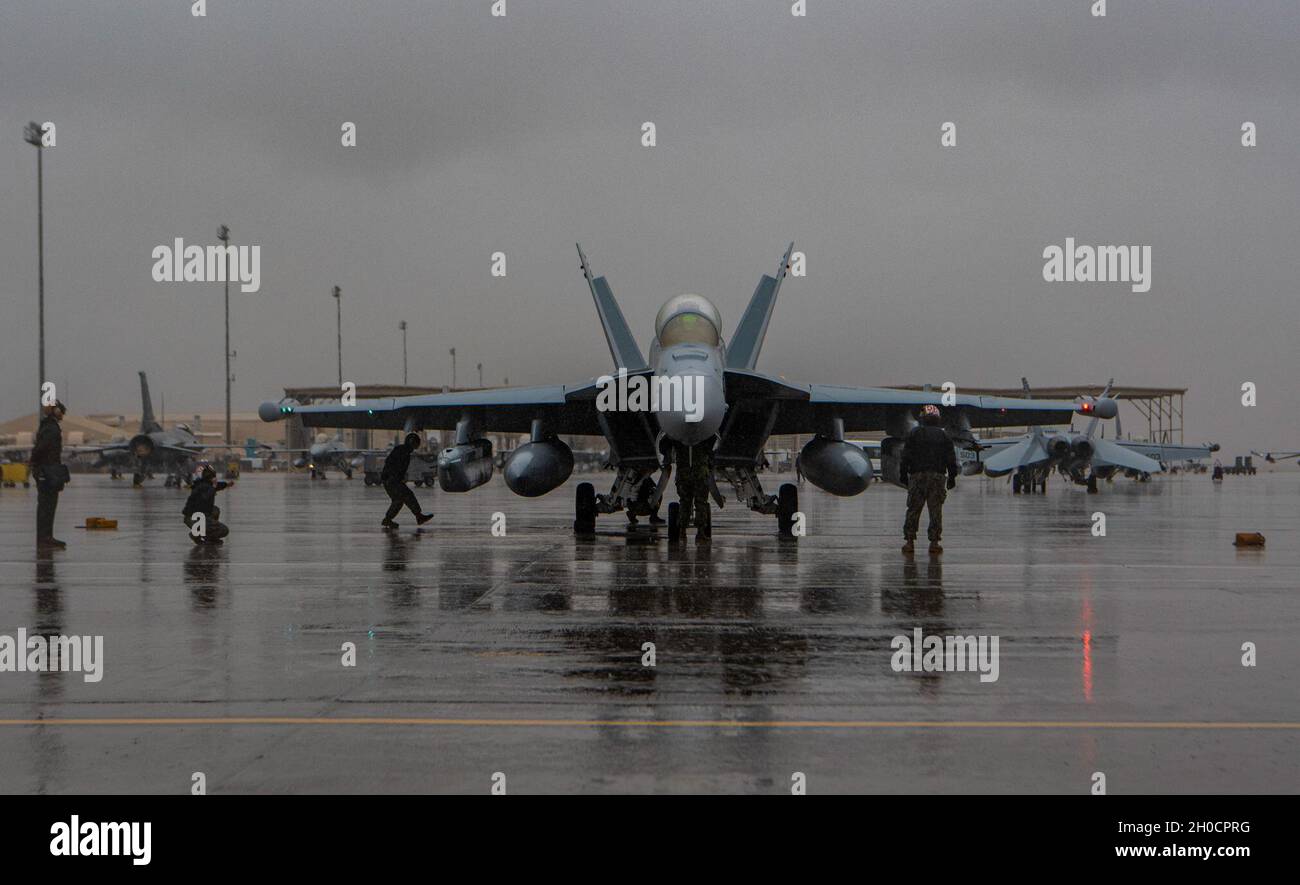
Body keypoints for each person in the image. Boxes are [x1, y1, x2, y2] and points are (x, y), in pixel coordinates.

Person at [899, 404, 958, 556]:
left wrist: (903, 474)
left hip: (917, 476)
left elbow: (905, 457)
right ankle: (934, 542)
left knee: (913, 509)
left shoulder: (914, 434)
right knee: (935, 511)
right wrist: (952, 477)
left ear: (922, 418)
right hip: (937, 478)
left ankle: (909, 542)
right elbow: (951, 459)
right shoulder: (944, 436)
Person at [30, 400, 70, 550]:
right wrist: (36, 462)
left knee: (45, 505)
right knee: (48, 505)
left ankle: (45, 537)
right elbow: (42, 448)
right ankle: (45, 538)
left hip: (45, 469)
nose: (62, 415)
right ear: (56, 411)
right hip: (47, 470)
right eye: (61, 411)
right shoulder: (51, 428)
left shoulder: (46, 426)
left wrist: (34, 463)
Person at [381, 433, 433, 529]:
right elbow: (393, 464)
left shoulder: (403, 451)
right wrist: (394, 476)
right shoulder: (402, 451)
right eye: (416, 443)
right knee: (407, 495)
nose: (417, 445)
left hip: (391, 479)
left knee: (398, 501)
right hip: (392, 479)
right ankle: (419, 516)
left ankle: (387, 520)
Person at [672, 437, 715, 544]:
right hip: (699, 475)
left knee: (685, 502)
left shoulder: (679, 439)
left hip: (684, 474)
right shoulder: (705, 438)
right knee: (701, 503)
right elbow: (712, 447)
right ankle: (700, 533)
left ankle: (682, 531)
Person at [182, 464, 230, 543]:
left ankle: (208, 537)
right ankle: (196, 534)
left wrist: (226, 484)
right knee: (224, 530)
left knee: (215, 510)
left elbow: (217, 486)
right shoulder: (204, 487)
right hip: (193, 517)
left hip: (194, 516)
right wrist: (214, 487)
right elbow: (206, 497)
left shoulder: (204, 484)